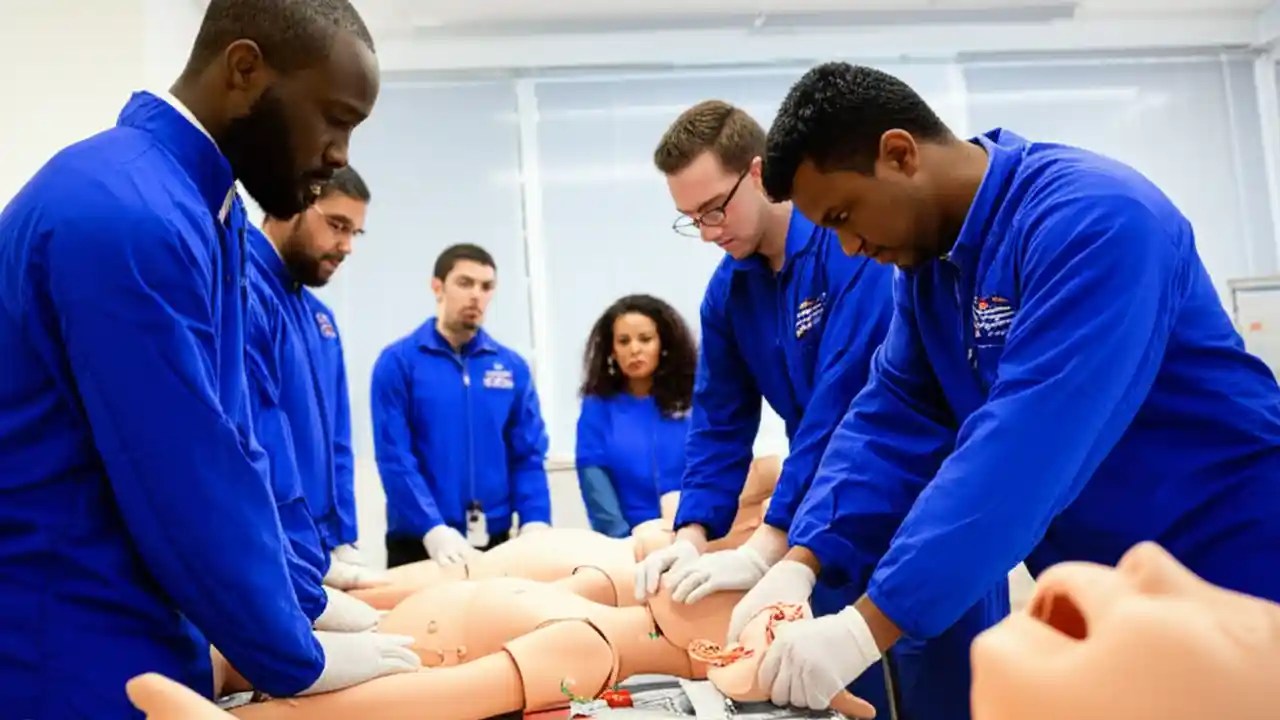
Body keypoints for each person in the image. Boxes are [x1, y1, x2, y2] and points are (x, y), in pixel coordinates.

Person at [735, 61, 1280, 715]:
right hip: (1105, 586)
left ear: (900, 154)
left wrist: (866, 626)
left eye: (847, 214)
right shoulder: (931, 270)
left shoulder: (1095, 220)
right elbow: (892, 417)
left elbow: (1027, 443)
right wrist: (804, 558)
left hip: (1228, 563)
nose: (850, 248)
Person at [0, 0, 423, 716]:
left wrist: (299, 597)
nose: (341, 154)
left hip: (139, 631)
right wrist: (290, 651)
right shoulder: (126, 211)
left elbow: (238, 446)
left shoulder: (199, 209)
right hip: (64, 648)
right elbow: (183, 474)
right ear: (246, 70)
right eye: (335, 118)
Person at [372, 243, 552, 569]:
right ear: (437, 287)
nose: (476, 296)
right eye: (465, 283)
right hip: (419, 543)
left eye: (486, 287)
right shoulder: (398, 363)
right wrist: (433, 529)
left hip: (495, 541)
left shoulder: (511, 367)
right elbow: (395, 458)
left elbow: (527, 455)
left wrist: (535, 521)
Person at [247, 165, 381, 593]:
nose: (346, 247)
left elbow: (338, 438)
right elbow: (253, 437)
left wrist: (344, 538)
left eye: (354, 233)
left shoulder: (320, 318)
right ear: (291, 205)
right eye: (337, 225)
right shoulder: (242, 289)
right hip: (272, 547)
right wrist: (292, 547)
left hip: (320, 547)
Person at [576, 294, 696, 537]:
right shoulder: (597, 406)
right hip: (627, 543)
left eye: (645, 339)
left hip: (693, 535)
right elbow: (594, 479)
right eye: (623, 341)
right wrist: (623, 540)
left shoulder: (695, 401)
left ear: (663, 344)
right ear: (612, 349)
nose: (635, 349)